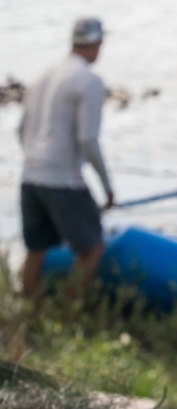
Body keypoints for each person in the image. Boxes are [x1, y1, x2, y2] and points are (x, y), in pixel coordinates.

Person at [18, 17, 115, 298]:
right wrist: (106, 186)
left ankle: (29, 316)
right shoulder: (89, 80)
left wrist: (36, 159)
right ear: (96, 44)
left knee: (35, 249)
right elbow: (88, 139)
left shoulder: (44, 74)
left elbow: (21, 130)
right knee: (91, 248)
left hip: (30, 175)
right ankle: (69, 317)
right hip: (63, 180)